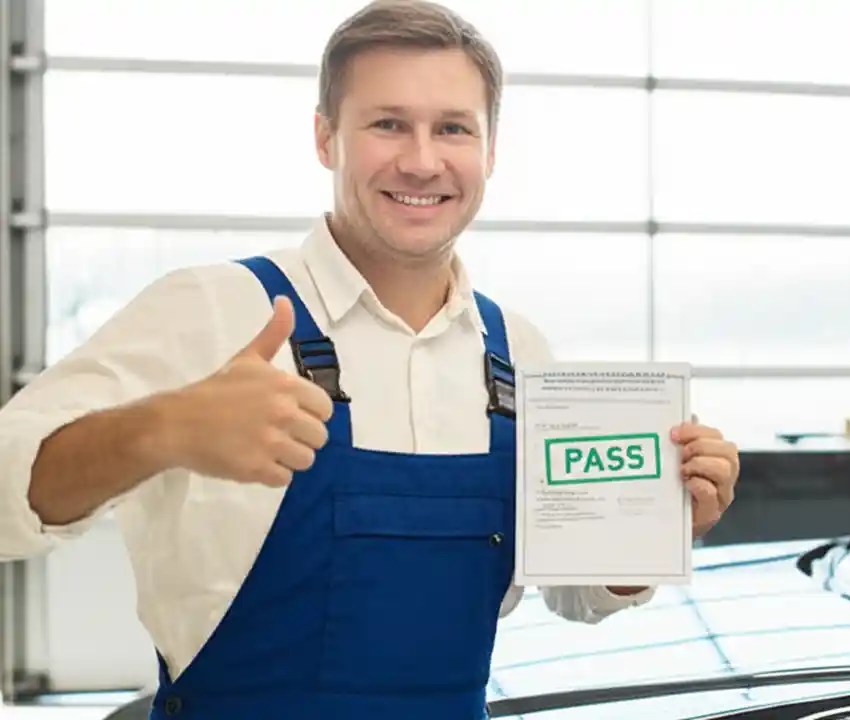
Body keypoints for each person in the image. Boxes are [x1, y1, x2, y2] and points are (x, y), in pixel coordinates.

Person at [0, 1, 740, 717]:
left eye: (452, 128)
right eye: (388, 124)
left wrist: (661, 518)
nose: (422, 161)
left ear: (489, 150)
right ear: (326, 138)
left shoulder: (516, 354)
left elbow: (577, 594)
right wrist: (159, 430)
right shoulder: (214, 311)